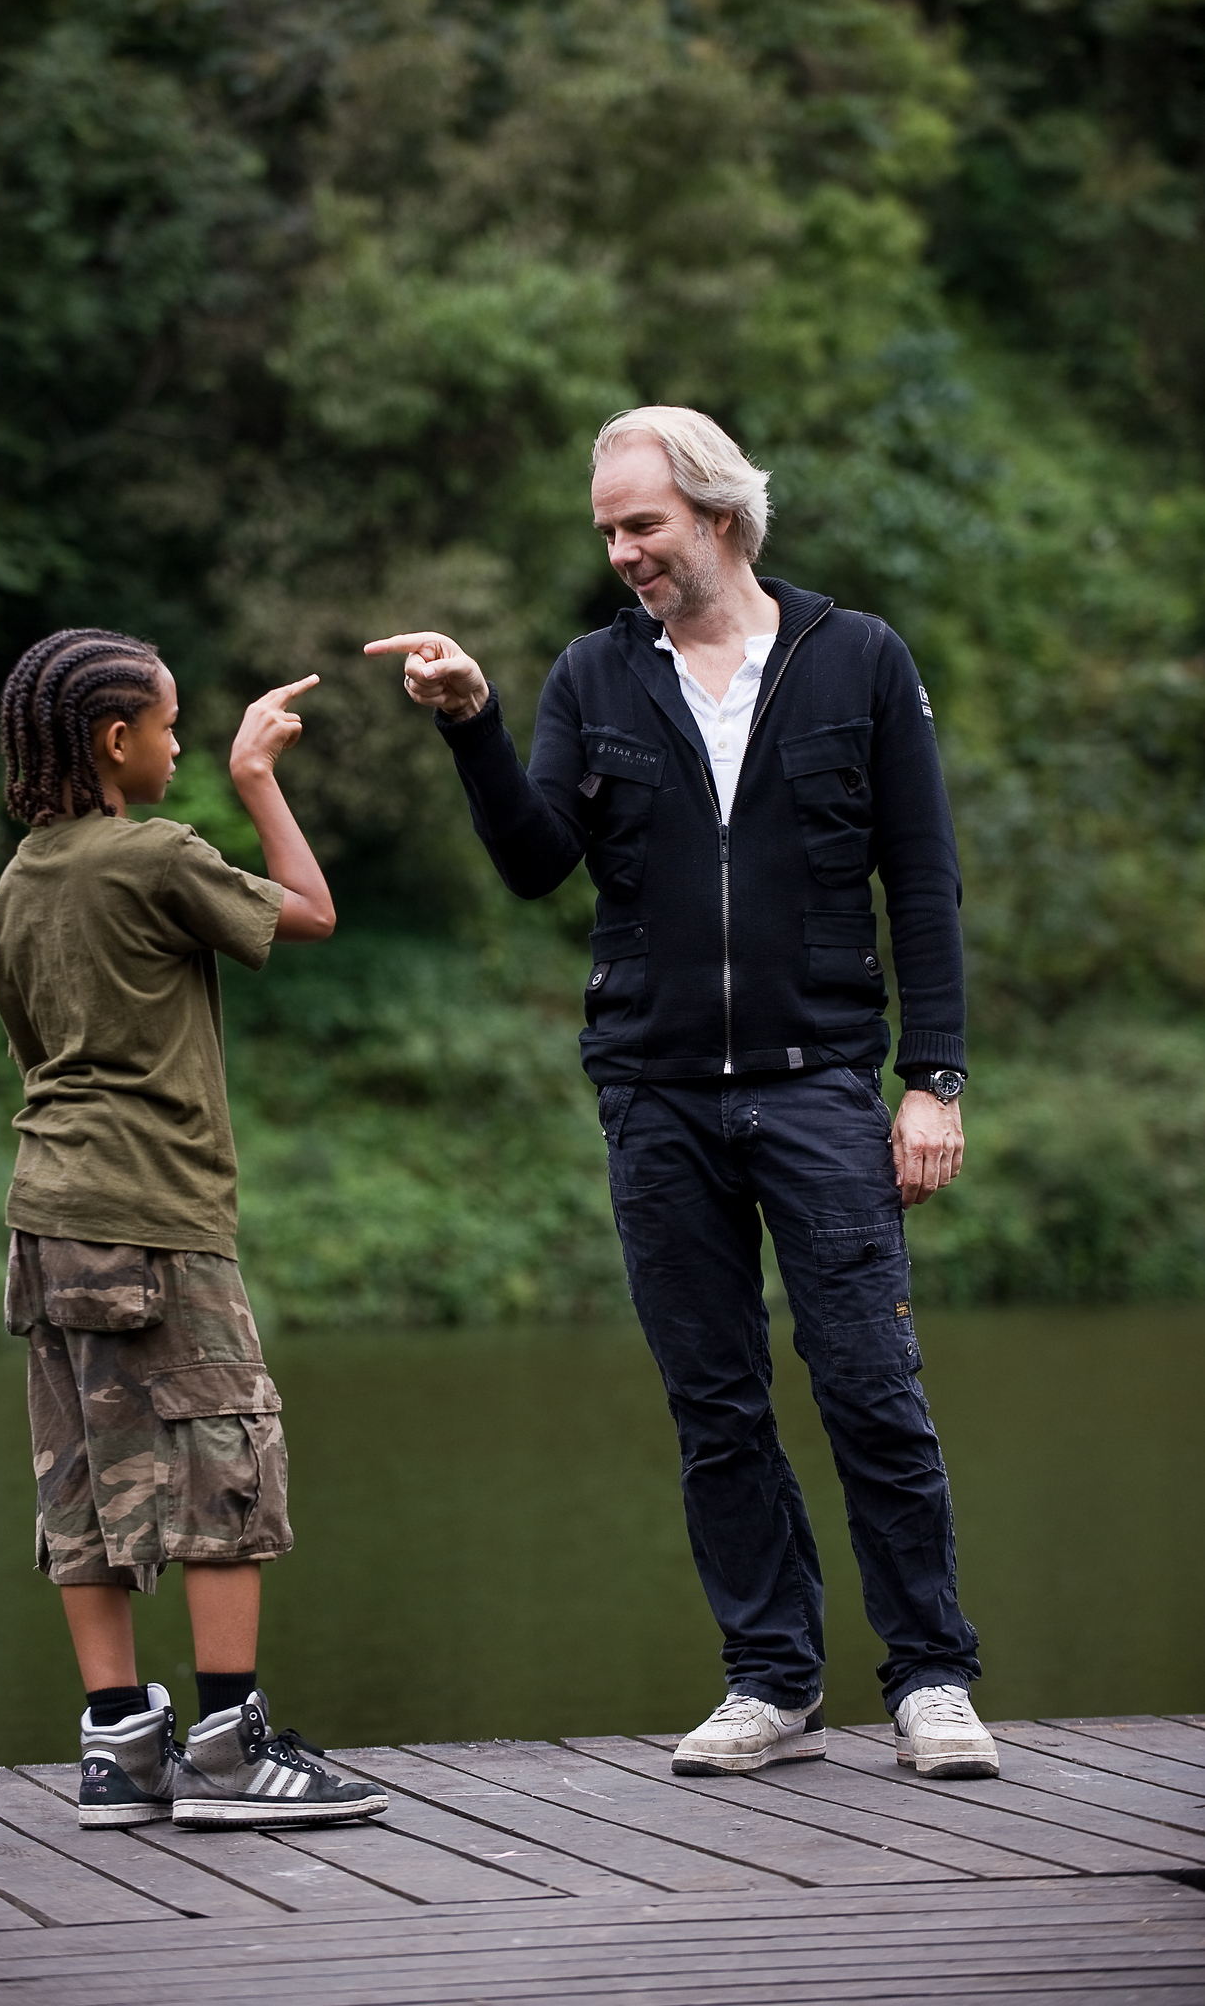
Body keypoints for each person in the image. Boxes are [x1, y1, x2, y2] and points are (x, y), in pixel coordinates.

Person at [365, 405, 998, 1783]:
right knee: (714, 1405)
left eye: (639, 524)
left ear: (716, 514)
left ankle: (931, 1679)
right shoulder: (593, 675)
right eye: (606, 530)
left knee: (868, 1388)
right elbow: (538, 863)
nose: (621, 552)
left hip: (821, 1086)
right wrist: (470, 725)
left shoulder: (861, 662)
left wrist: (930, 1080)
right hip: (655, 1095)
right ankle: (770, 1684)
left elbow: (923, 883)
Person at [0, 627, 389, 1830]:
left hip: (45, 1216)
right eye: (169, 726)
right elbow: (311, 911)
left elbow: (27, 1040)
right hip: (155, 1215)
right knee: (223, 1456)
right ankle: (226, 1744)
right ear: (118, 740)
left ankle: (120, 1745)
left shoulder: (20, 877)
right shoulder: (155, 855)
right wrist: (259, 777)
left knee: (83, 1476)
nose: (179, 745)